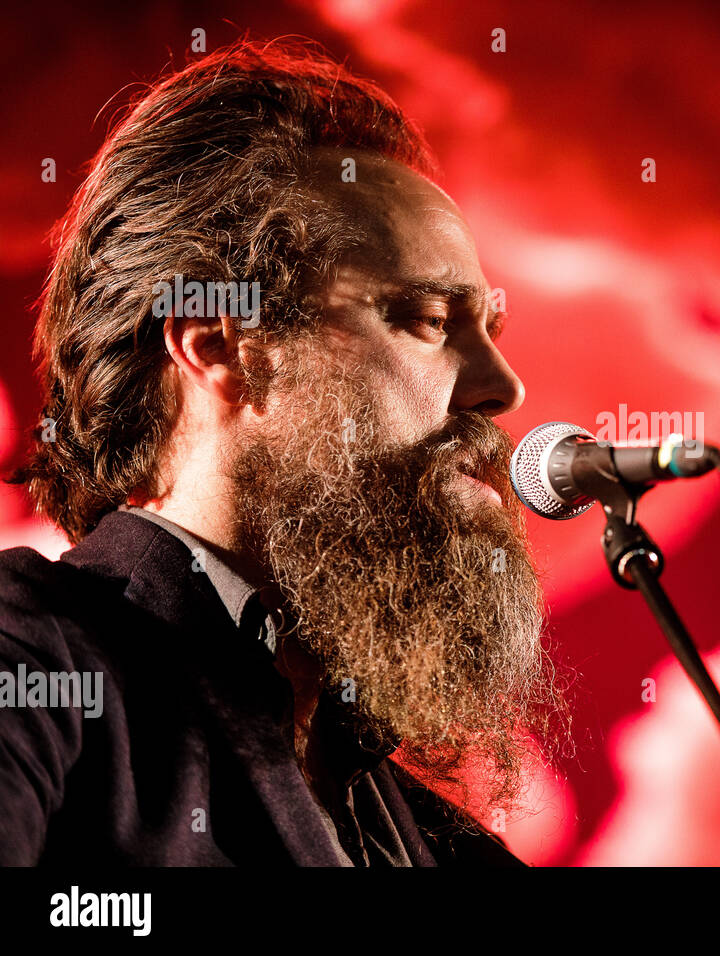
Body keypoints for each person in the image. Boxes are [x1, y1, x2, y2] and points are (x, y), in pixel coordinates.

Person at [0, 39, 571, 866]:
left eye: (491, 328)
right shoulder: (34, 661)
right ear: (218, 345)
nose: (504, 386)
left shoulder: (439, 844)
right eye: (428, 320)